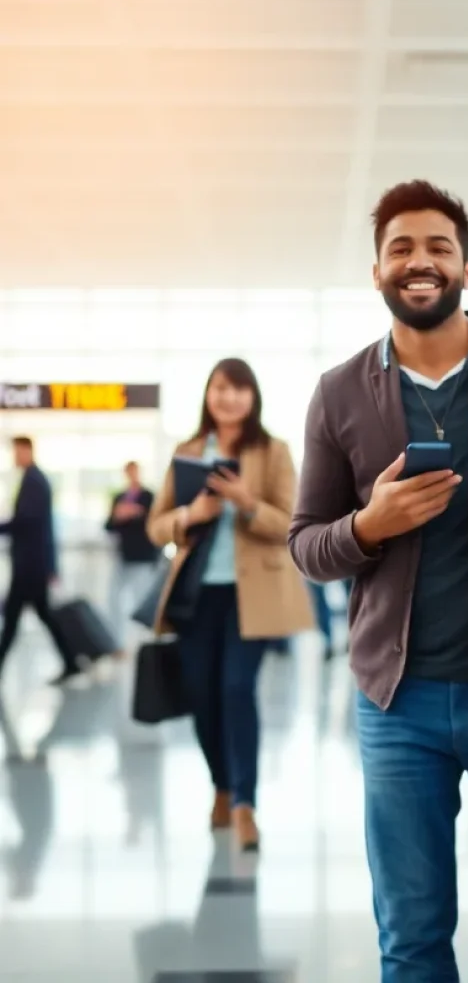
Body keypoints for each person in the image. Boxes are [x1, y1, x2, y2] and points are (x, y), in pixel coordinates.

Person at [289, 180, 468, 983]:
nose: (420, 263)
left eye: (438, 248)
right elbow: (306, 543)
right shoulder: (340, 392)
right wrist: (368, 526)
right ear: (377, 270)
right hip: (394, 700)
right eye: (402, 249)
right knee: (411, 931)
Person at [148, 358, 313, 853]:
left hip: (253, 597)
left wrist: (245, 502)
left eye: (240, 389)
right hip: (197, 596)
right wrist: (188, 514)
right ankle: (221, 785)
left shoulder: (274, 450)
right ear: (208, 394)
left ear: (253, 397)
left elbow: (291, 524)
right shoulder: (189, 451)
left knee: (237, 691)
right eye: (221, 388)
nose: (230, 398)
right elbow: (156, 526)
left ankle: (244, 803)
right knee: (202, 695)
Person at [0, 437, 80, 685]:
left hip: (30, 565)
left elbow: (28, 522)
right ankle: (71, 661)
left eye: (16, 451)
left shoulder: (34, 481)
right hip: (32, 563)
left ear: (26, 451)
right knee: (40, 616)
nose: (14, 457)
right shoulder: (33, 479)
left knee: (15, 618)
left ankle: (71, 661)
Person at [104, 461, 159, 649]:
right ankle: (116, 644)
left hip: (143, 557)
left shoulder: (148, 497)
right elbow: (109, 526)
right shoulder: (119, 497)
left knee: (141, 600)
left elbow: (155, 525)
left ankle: (147, 642)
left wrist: (136, 514)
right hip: (122, 556)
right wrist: (118, 516)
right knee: (113, 600)